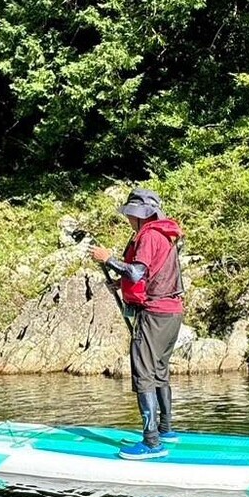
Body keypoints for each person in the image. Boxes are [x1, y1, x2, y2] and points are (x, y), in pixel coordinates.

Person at [90, 188, 185, 458]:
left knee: (143, 374)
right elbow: (152, 275)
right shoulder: (163, 236)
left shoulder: (148, 237)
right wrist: (121, 284)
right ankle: (166, 429)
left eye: (131, 214)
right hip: (172, 313)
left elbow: (136, 271)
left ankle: (152, 442)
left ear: (140, 215)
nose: (129, 219)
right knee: (159, 371)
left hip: (154, 314)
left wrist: (107, 259)